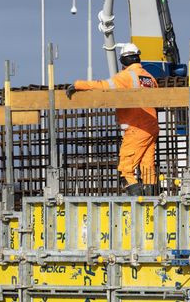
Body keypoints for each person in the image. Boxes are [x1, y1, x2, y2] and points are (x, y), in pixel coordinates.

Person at [66, 43, 160, 196]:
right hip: (151, 127)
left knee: (126, 170)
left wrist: (78, 85)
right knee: (147, 166)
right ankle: (152, 199)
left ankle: (140, 203)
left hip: (136, 128)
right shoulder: (149, 77)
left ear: (123, 60)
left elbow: (103, 85)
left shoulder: (126, 76)